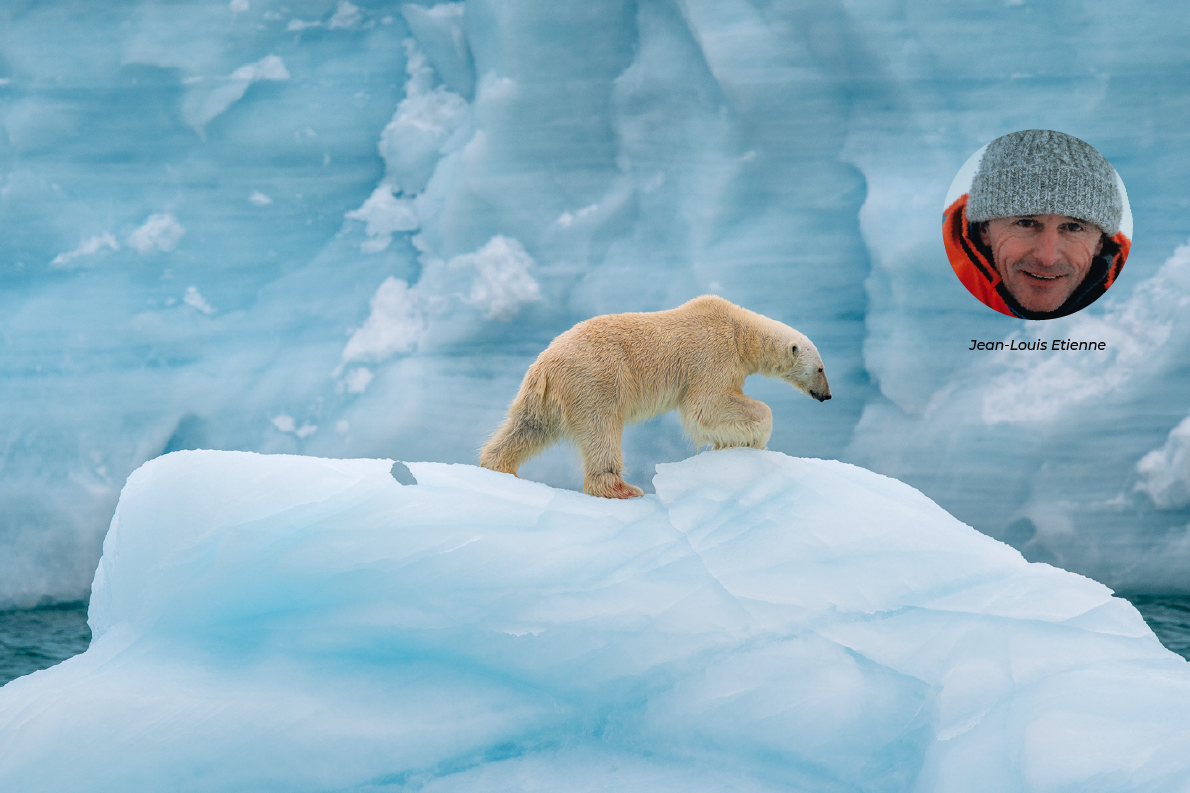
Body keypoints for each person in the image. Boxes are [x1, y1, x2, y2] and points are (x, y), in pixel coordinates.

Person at [944, 129, 1131, 319]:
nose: (1047, 258)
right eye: (1026, 223)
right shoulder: (935, 281)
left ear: (1099, 242)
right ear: (985, 229)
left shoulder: (1131, 298)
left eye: (1074, 227)